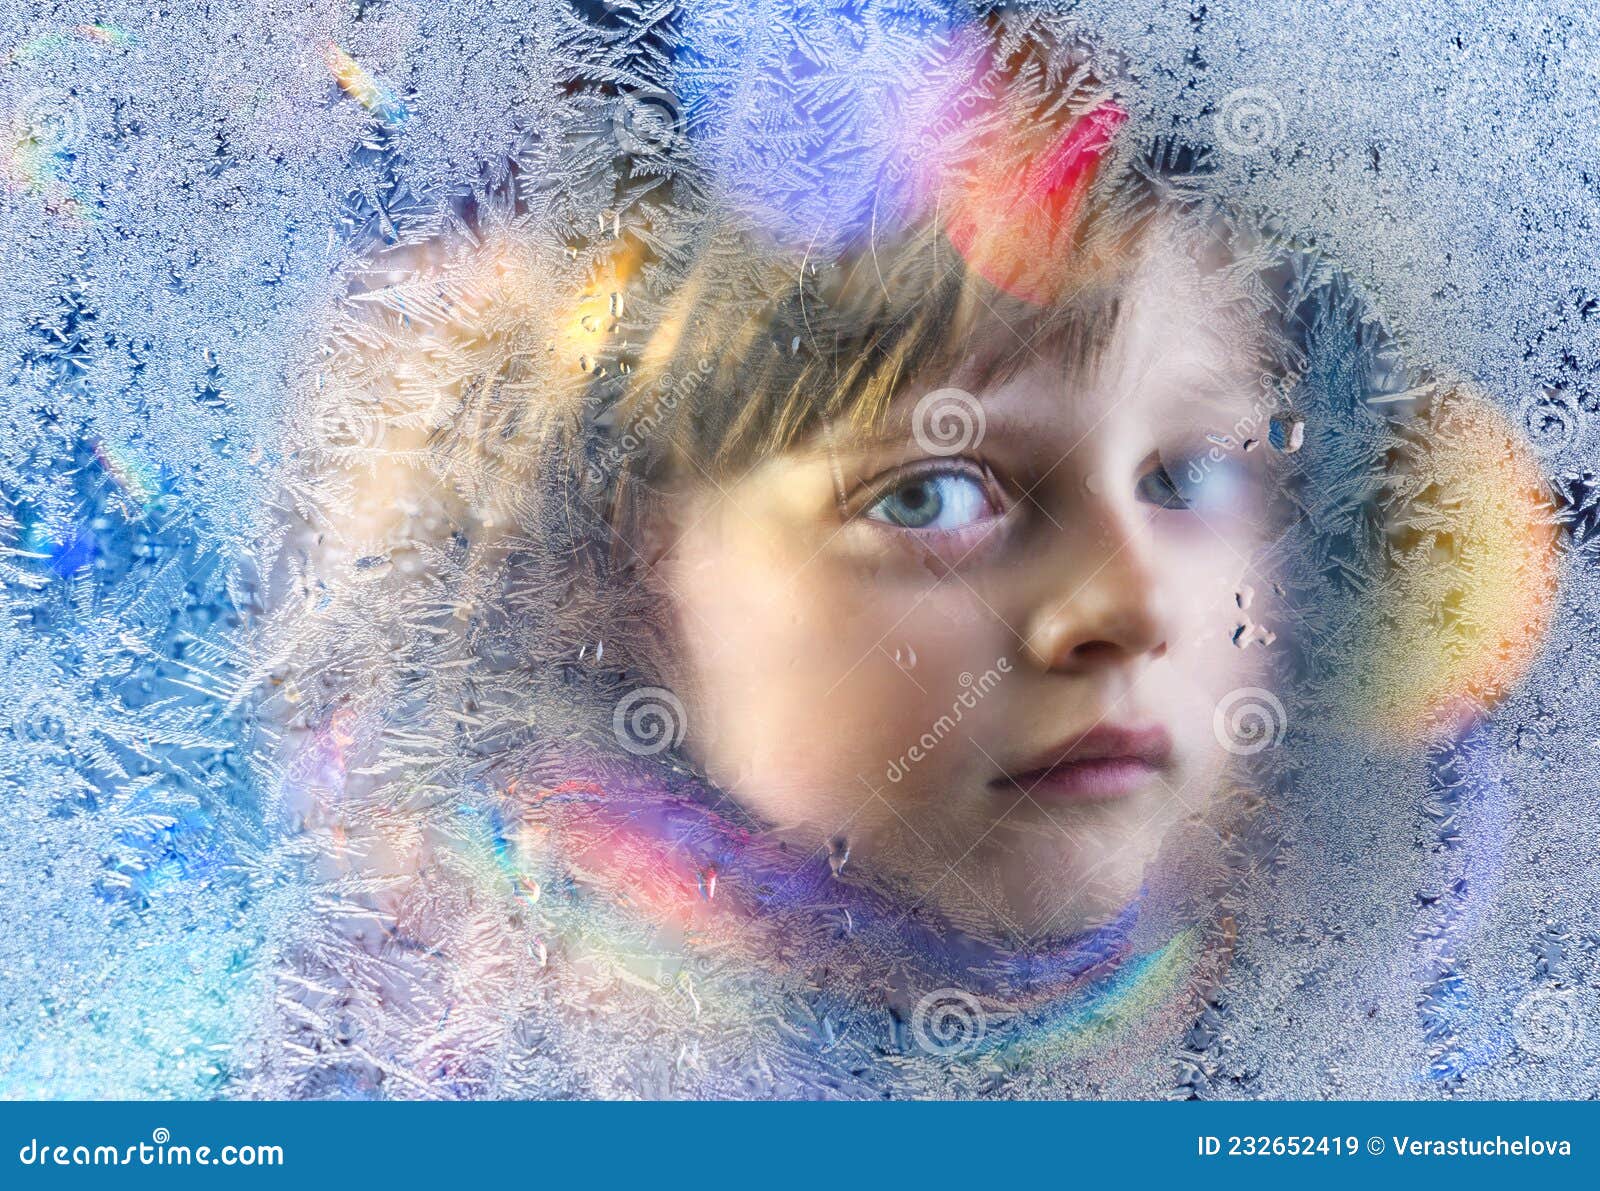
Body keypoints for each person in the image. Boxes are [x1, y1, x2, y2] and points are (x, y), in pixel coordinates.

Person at [255, 9, 1557, 1100]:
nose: (1126, 607)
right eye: (934, 496)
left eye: (1191, 475)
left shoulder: (1354, 1024)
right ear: (620, 563)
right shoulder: (425, 1061)